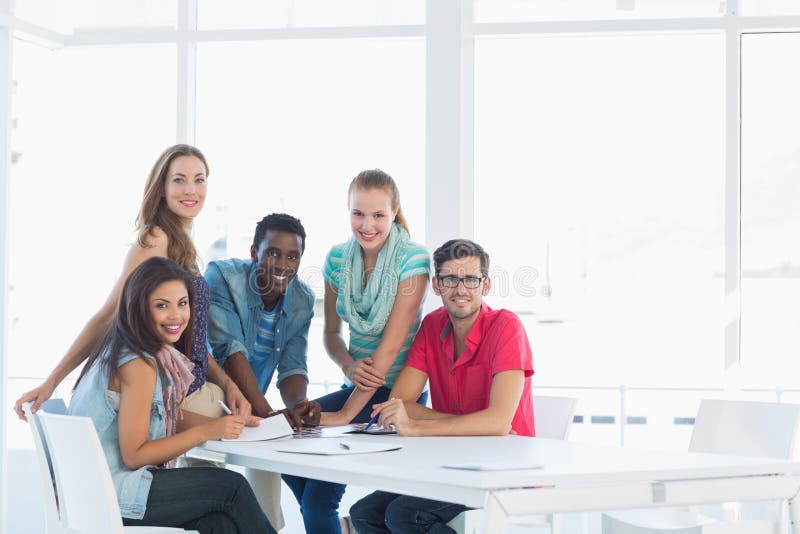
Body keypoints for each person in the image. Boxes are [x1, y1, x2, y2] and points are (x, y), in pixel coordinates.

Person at [14, 144, 250, 422]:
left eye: (199, 180)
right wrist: (51, 382)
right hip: (171, 399)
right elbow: (107, 317)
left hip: (191, 389)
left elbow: (193, 339)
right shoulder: (156, 239)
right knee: (253, 427)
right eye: (179, 180)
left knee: (247, 419)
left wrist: (228, 384)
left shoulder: (183, 246)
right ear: (161, 188)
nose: (191, 190)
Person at [68, 256, 274, 533]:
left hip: (95, 490)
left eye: (182, 303)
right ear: (139, 308)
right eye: (161, 305)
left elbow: (160, 417)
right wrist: (207, 431)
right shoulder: (138, 364)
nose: (176, 315)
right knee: (232, 487)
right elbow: (134, 456)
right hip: (112, 493)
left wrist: (227, 426)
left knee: (219, 524)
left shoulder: (124, 348)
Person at [348, 239, 535, 534]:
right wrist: (475, 424)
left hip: (503, 468)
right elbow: (400, 403)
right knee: (364, 513)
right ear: (436, 285)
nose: (460, 289)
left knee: (405, 515)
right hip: (451, 463)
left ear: (486, 285)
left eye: (471, 279)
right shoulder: (432, 326)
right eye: (450, 279)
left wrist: (417, 426)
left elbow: (499, 423)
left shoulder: (506, 327)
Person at [283, 169, 430, 534]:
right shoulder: (337, 260)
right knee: (286, 448)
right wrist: (348, 366)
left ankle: (326, 521)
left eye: (378, 215)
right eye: (358, 213)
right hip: (357, 386)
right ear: (347, 210)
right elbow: (332, 334)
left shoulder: (413, 260)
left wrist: (344, 415)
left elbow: (390, 348)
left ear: (394, 212)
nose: (367, 225)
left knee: (318, 499)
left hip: (395, 396)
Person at [205, 213, 321, 526]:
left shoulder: (302, 300)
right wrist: (269, 414)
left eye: (292, 256)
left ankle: (267, 526)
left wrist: (299, 406)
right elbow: (228, 350)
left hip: (253, 397)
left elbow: (293, 366)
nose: (283, 265)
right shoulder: (222, 277)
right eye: (273, 253)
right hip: (207, 392)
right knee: (210, 485)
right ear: (254, 252)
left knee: (272, 440)